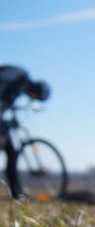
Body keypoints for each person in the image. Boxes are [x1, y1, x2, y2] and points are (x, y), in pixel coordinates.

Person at [0, 66, 51, 199]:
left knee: (12, 151)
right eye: (36, 97)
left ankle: (17, 193)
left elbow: (6, 99)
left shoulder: (19, 88)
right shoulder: (21, 77)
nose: (32, 98)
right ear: (36, 90)